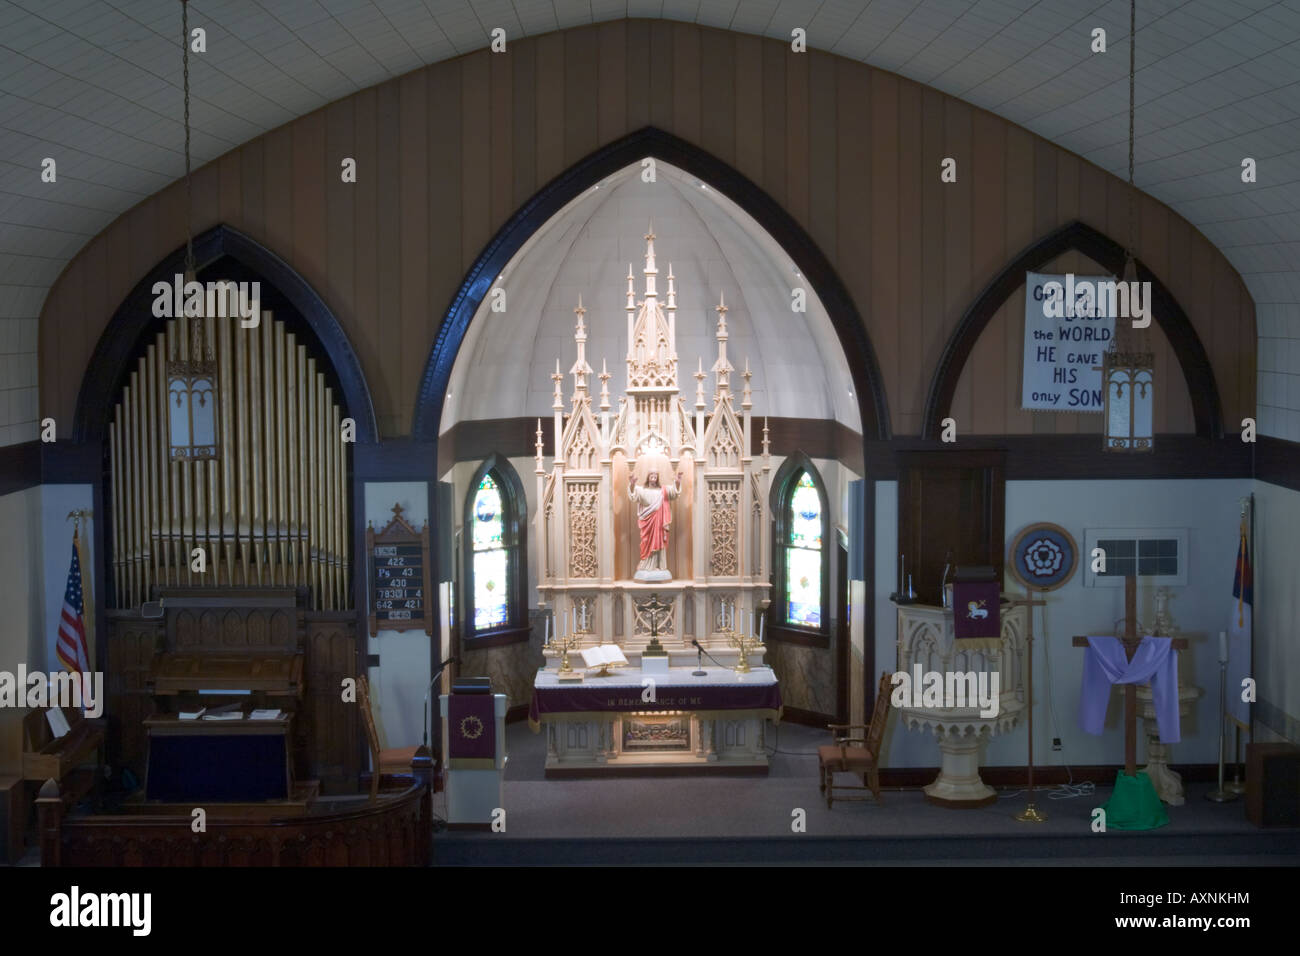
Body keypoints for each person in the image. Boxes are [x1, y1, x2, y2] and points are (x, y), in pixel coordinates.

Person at [627, 468, 681, 581]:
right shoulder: (642, 490)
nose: (653, 477)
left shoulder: (663, 490)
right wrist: (632, 484)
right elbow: (633, 495)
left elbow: (674, 493)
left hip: (660, 522)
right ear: (648, 477)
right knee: (647, 542)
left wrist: (677, 482)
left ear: (657, 478)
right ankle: (646, 566)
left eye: (655, 475)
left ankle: (659, 566)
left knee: (659, 542)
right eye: (651, 474)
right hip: (648, 522)